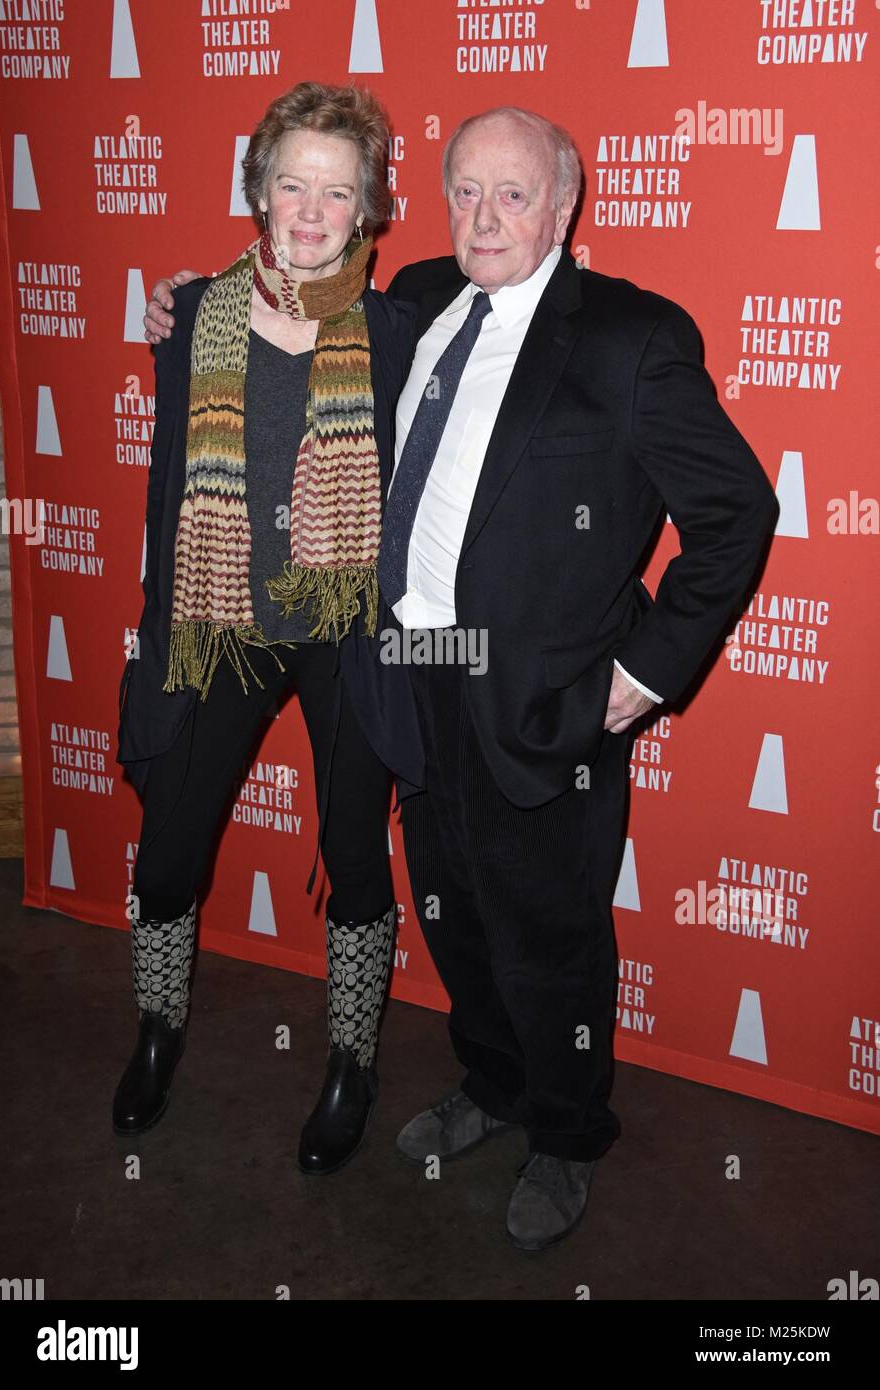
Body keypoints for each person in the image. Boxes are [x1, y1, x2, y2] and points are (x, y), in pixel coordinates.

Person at [144, 105, 779, 1251]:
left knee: (550, 935)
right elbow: (301, 292)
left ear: (565, 205)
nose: (486, 218)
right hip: (417, 674)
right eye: (466, 193)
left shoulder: (629, 339)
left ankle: (568, 1132)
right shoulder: (425, 299)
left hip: (541, 696)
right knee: (454, 913)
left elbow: (736, 514)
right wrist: (192, 301)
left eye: (514, 195)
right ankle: (491, 1084)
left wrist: (640, 673)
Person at [116, 81, 422, 1178]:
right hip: (219, 620)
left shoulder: (395, 331)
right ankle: (157, 1029)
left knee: (352, 850)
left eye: (335, 190)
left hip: (342, 626)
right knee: (168, 847)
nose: (309, 207)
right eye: (291, 181)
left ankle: (349, 1060)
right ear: (259, 188)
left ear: (366, 207)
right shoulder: (190, 312)